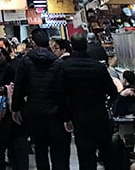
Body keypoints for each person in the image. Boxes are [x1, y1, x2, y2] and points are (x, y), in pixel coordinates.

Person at [11, 27, 69, 170]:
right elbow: (63, 91)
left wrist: (15, 108)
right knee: (58, 151)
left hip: (34, 113)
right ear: (48, 42)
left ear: (33, 43)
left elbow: (19, 86)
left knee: (40, 150)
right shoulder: (58, 63)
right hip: (55, 114)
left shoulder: (25, 62)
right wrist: (67, 116)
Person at [59, 32, 118, 170]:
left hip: (79, 117)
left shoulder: (65, 68)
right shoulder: (98, 66)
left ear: (72, 47)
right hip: (99, 115)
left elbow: (61, 94)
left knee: (86, 156)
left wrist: (66, 117)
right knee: (107, 153)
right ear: (86, 46)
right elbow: (112, 91)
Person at [0, 46, 29, 170]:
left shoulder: (12, 70)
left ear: (5, 56)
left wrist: (5, 90)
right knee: (4, 146)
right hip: (0, 114)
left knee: (16, 147)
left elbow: (18, 89)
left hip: (12, 113)